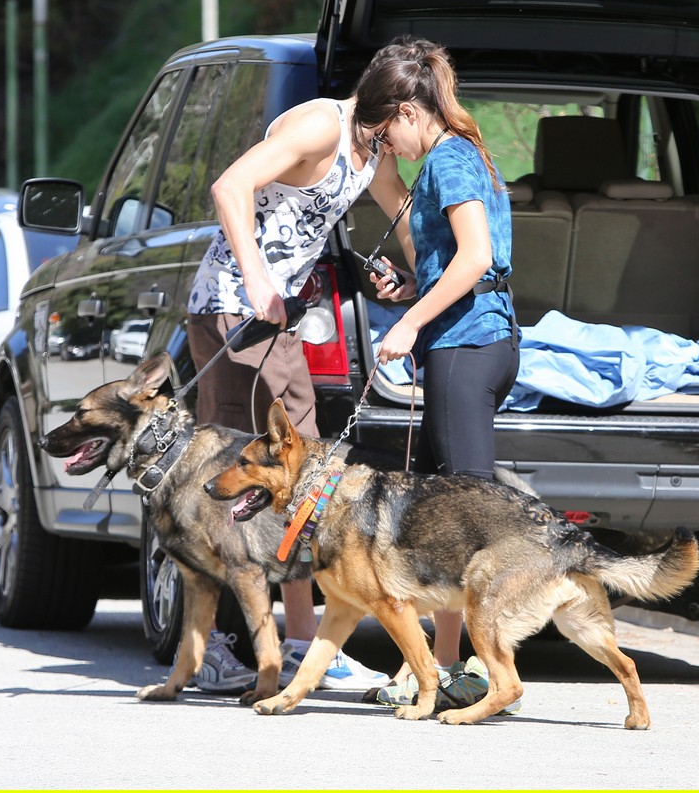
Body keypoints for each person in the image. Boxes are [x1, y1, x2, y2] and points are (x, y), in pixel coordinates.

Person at [185, 86, 414, 694]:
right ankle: (228, 646)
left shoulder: (376, 149)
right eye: (413, 117)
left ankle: (289, 644)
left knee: (284, 480)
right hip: (240, 309)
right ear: (392, 106)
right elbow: (230, 187)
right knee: (263, 473)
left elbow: (401, 215)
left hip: (268, 315)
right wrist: (259, 279)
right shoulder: (322, 126)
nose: (413, 134)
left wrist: (415, 278)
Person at [351, 35, 521, 710]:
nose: (385, 144)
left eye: (385, 129)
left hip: (466, 345)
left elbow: (474, 256)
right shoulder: (453, 154)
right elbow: (436, 256)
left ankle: (482, 667)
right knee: (452, 515)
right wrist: (409, 293)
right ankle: (444, 665)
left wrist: (412, 321)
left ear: (409, 110)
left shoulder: (449, 158)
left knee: (470, 520)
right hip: (477, 339)